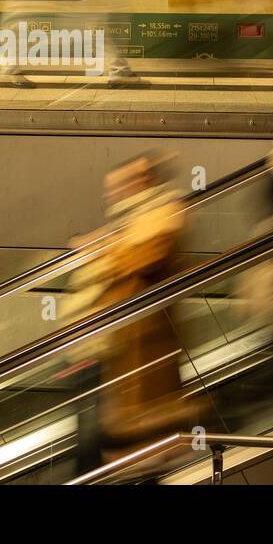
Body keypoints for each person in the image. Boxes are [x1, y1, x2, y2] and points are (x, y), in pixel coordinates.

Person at [68, 155, 197, 468]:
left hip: (143, 343)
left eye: (125, 183)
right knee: (111, 433)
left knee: (135, 435)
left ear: (147, 182)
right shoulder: (132, 220)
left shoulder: (164, 214)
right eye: (113, 188)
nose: (115, 193)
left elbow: (143, 258)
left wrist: (102, 251)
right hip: (118, 341)